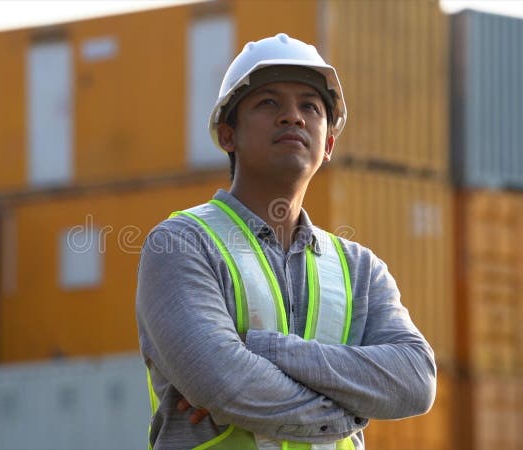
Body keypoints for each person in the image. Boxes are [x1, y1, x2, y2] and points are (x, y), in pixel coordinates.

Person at [135, 33, 436, 450]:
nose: (292, 117)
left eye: (310, 107)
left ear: (328, 142)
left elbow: (415, 380)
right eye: (268, 103)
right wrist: (349, 412)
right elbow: (225, 385)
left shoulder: (360, 270)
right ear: (228, 136)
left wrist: (263, 349)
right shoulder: (181, 245)